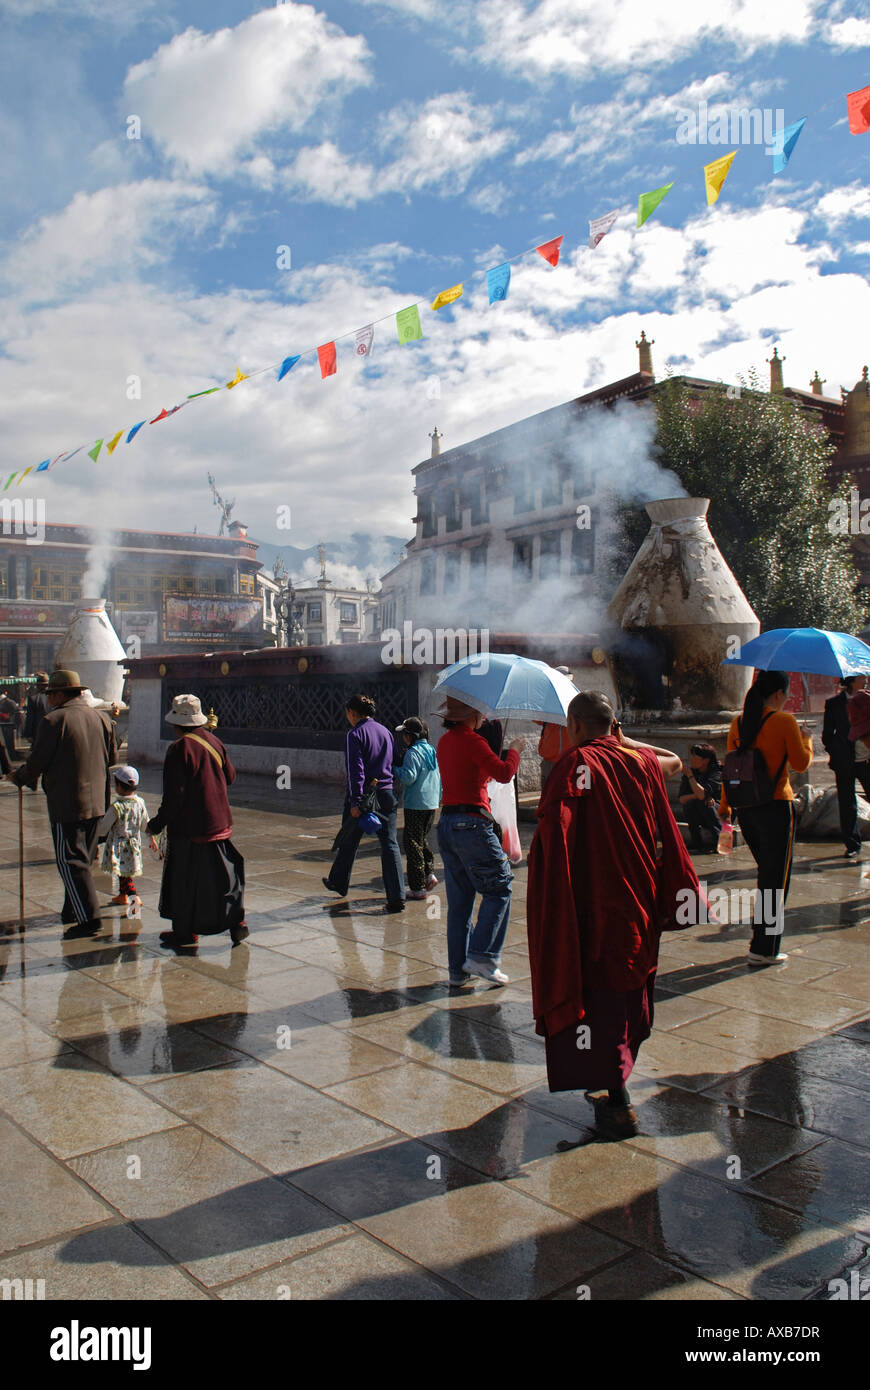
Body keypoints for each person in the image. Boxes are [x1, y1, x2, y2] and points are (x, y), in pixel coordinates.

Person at [526, 691, 698, 1140]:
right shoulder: (640, 762)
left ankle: (618, 1102)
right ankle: (614, 1083)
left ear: (576, 726)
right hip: (637, 900)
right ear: (613, 725)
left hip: (593, 904)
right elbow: (673, 761)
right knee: (626, 995)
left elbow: (554, 837)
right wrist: (624, 739)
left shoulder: (575, 765)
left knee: (599, 998)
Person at [8, 669, 116, 939]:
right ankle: (73, 910)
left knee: (69, 860)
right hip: (98, 803)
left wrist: (19, 777)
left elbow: (37, 761)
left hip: (68, 802)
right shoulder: (101, 718)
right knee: (83, 860)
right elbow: (112, 757)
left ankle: (89, 919)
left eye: (50, 694)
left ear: (59, 694)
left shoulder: (54, 720)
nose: (48, 700)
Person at [721, 670, 812, 964]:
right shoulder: (785, 722)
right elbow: (800, 764)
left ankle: (762, 943)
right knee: (775, 881)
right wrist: (807, 740)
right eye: (786, 695)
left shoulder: (738, 722)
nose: (787, 700)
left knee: (767, 876)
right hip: (775, 807)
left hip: (747, 809)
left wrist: (726, 808)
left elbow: (731, 767)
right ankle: (764, 948)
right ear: (778, 694)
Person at [435, 695, 524, 986]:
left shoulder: (445, 742)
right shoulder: (473, 741)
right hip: (472, 824)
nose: (484, 719)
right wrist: (514, 751)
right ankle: (482, 957)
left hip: (447, 823)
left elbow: (471, 775)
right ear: (469, 716)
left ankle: (456, 971)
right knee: (500, 887)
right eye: (480, 714)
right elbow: (503, 773)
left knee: (460, 903)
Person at [147, 694, 246, 950]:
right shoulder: (214, 741)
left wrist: (157, 824)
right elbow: (231, 777)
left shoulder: (179, 749)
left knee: (183, 881)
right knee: (226, 879)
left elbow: (174, 796)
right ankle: (238, 923)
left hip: (191, 828)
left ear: (176, 723)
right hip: (220, 822)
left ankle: (184, 932)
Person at [323, 694, 406, 912]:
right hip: (386, 793)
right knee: (390, 844)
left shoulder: (355, 734)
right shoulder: (386, 732)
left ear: (352, 713)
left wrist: (356, 801)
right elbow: (397, 760)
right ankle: (397, 896)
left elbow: (356, 771)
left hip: (365, 796)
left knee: (349, 838)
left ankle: (339, 882)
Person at [822, 674, 870, 858]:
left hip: (866, 760)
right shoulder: (834, 704)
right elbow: (827, 735)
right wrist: (836, 752)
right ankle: (852, 844)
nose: (865, 680)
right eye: (861, 678)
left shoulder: (867, 700)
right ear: (850, 681)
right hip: (845, 761)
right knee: (847, 804)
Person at [393, 717, 441, 900]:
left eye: (405, 734)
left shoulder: (412, 753)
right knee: (422, 839)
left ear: (411, 736)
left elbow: (408, 777)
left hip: (416, 804)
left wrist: (395, 769)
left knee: (412, 843)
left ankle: (417, 886)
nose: (403, 738)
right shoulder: (431, 750)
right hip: (431, 803)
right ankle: (429, 874)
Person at [98, 764, 155, 907]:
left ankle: (134, 897)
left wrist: (97, 830)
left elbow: (104, 826)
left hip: (118, 846)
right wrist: (151, 838)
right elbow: (145, 824)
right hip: (133, 844)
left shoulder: (116, 807)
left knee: (124, 875)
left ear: (119, 786)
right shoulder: (140, 803)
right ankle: (122, 895)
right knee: (124, 872)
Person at [678, 742, 723, 851]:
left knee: (704, 802)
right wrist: (696, 795)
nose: (691, 759)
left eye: (694, 756)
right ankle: (696, 841)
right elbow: (682, 799)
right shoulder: (691, 773)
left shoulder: (717, 772)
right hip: (701, 812)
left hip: (721, 812)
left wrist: (691, 777)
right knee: (691, 804)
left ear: (705, 760)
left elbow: (702, 794)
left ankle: (720, 840)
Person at [537, 666, 574, 791]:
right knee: (547, 799)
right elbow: (536, 718)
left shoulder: (575, 700)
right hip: (549, 761)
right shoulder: (546, 701)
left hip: (569, 760)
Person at [23, 673, 50, 746]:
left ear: (38, 685)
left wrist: (28, 734)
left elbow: (30, 718)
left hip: (38, 735)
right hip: (54, 734)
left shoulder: (33, 699)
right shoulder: (56, 697)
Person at [0, 688, 21, 759]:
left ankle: (12, 755)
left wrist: (7, 717)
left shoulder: (9, 702)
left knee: (10, 741)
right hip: (8, 724)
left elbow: (15, 713)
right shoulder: (7, 702)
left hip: (11, 724)